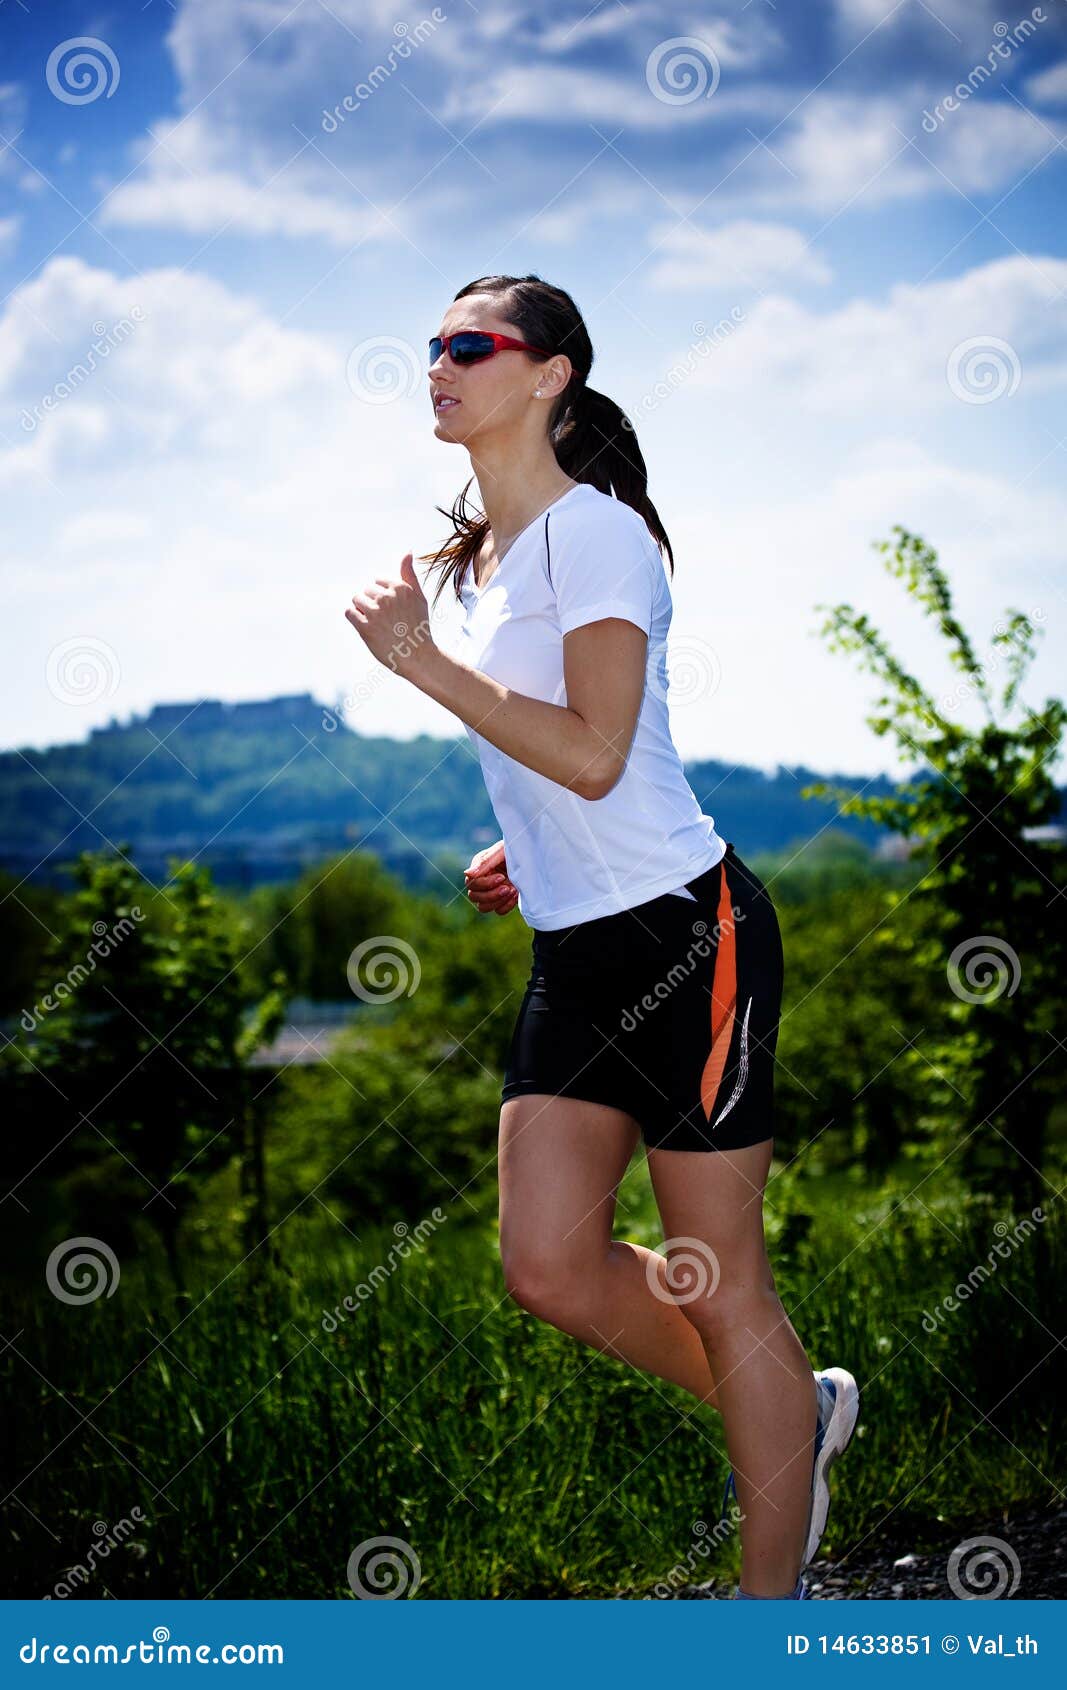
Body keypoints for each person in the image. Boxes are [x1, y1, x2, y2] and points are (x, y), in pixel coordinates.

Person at [344, 272, 858, 1600]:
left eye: (471, 344)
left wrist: (424, 667)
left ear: (550, 374)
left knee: (715, 1273)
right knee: (549, 1264)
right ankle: (791, 1417)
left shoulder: (603, 536)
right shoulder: (484, 560)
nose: (440, 365)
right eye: (432, 347)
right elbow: (568, 767)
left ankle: (766, 1617)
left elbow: (595, 747)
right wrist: (527, 846)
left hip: (692, 939)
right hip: (575, 950)